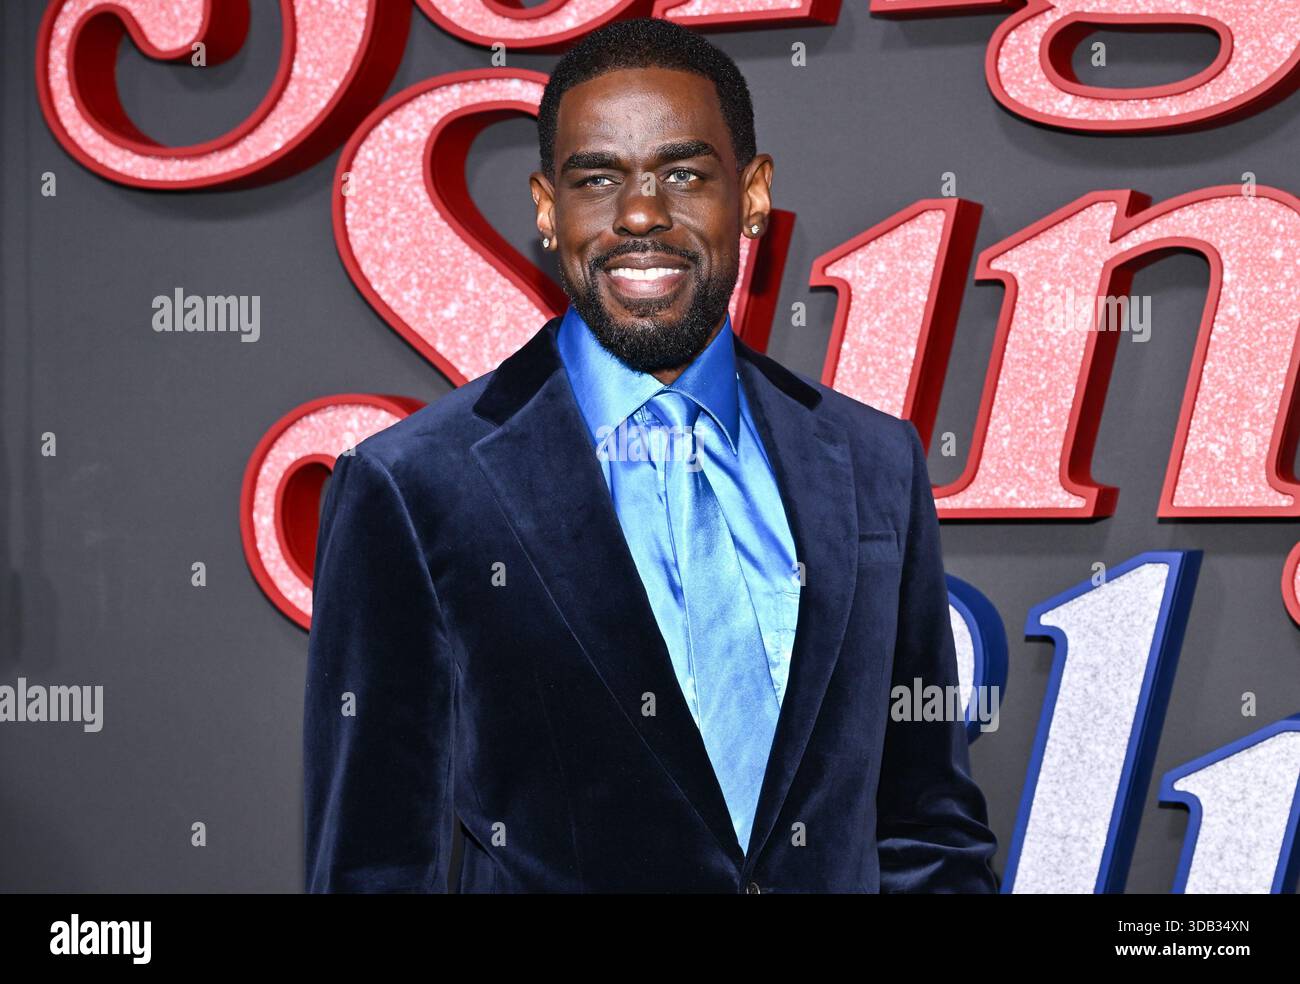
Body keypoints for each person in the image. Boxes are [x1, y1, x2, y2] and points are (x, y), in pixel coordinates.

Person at [304, 16, 999, 893]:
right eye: (598, 178)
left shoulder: (874, 464)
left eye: (683, 173)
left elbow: (926, 827)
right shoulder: (414, 486)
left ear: (751, 195)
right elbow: (373, 864)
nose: (640, 214)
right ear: (548, 210)